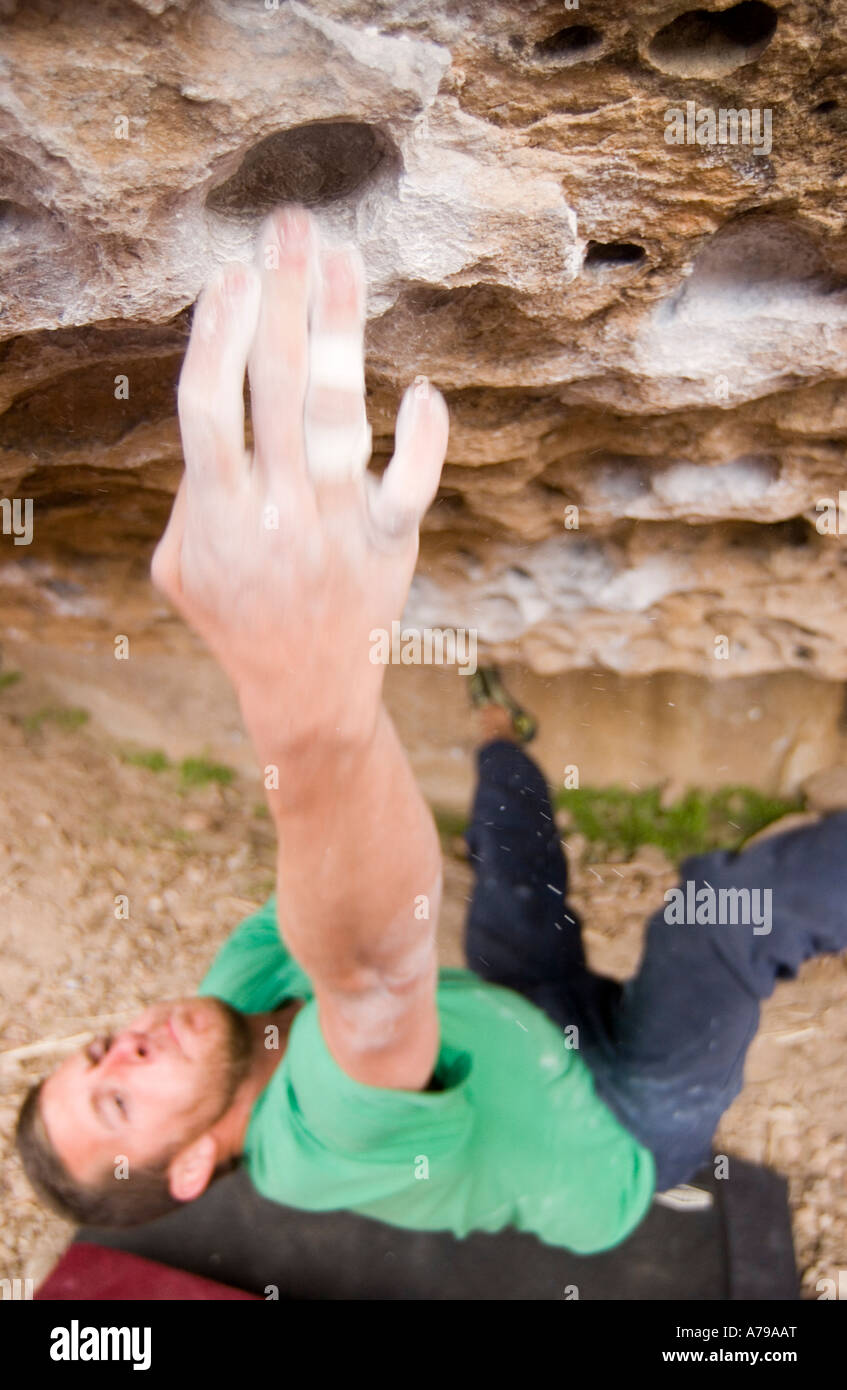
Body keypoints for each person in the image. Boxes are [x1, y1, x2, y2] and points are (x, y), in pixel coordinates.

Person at [15, 206, 847, 1254]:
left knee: (505, 884)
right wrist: (306, 706)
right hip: (616, 1127)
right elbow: (370, 979)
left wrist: (338, 716)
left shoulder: (227, 998)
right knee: (715, 915)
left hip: (517, 1019)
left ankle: (500, 731)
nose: (126, 1053)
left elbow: (330, 860)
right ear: (193, 1166)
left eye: (98, 1054)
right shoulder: (320, 1146)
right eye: (120, 1104)